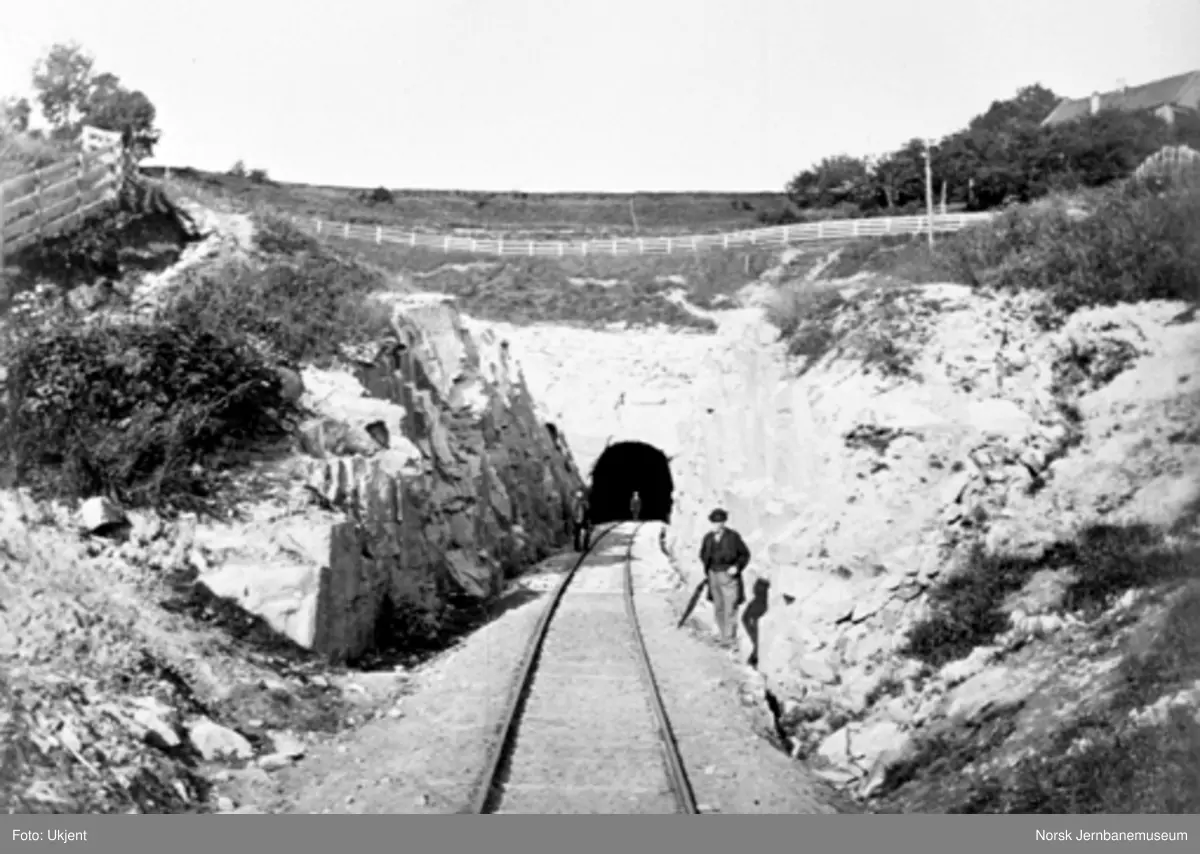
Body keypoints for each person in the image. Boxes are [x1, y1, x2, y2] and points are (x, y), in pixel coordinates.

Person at [699, 508, 751, 649]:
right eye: (714, 522)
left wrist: (736, 567)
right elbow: (702, 554)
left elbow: (745, 554)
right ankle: (723, 635)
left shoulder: (733, 537)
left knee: (730, 606)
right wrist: (708, 569)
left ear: (723, 523)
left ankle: (729, 638)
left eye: (719, 522)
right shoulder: (708, 538)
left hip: (728, 575)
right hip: (713, 574)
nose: (716, 525)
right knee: (719, 606)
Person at [571, 488, 592, 552]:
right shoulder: (575, 502)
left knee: (586, 533)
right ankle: (577, 547)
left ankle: (585, 546)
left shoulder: (584, 502)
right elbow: (573, 511)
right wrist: (575, 519)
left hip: (584, 519)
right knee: (577, 534)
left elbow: (588, 510)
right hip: (578, 520)